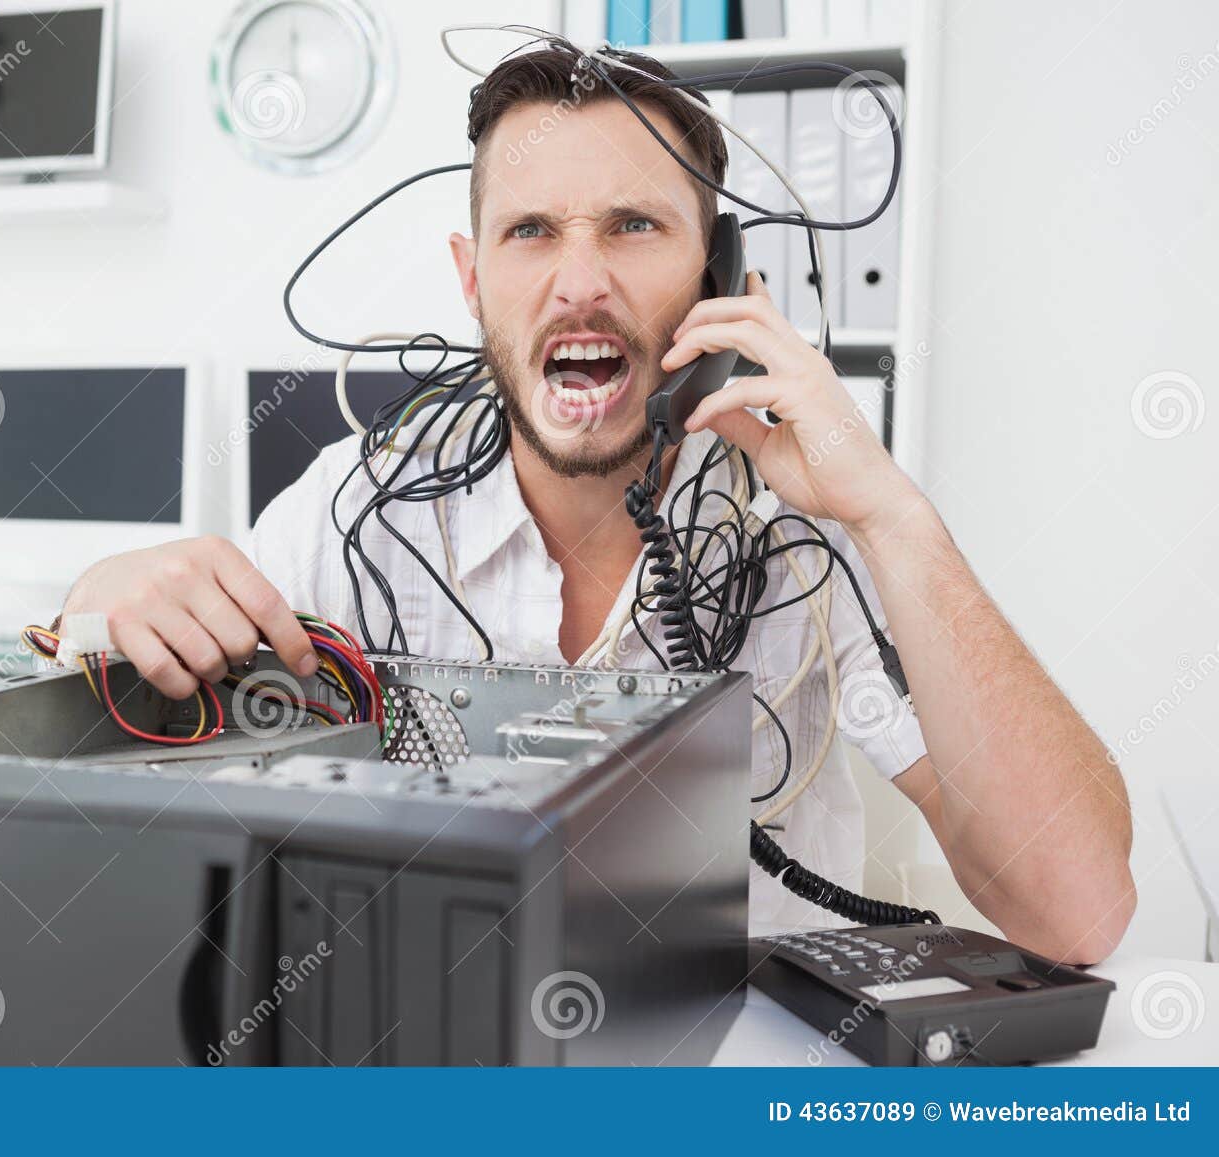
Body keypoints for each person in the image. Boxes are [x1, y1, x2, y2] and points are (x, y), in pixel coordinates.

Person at [59, 45, 1133, 961]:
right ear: (471, 278)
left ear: (721, 280)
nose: (579, 282)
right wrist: (98, 602)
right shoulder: (357, 508)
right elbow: (136, 798)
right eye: (531, 231)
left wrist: (892, 515)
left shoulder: (806, 532)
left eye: (632, 225)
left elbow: (1075, 912)